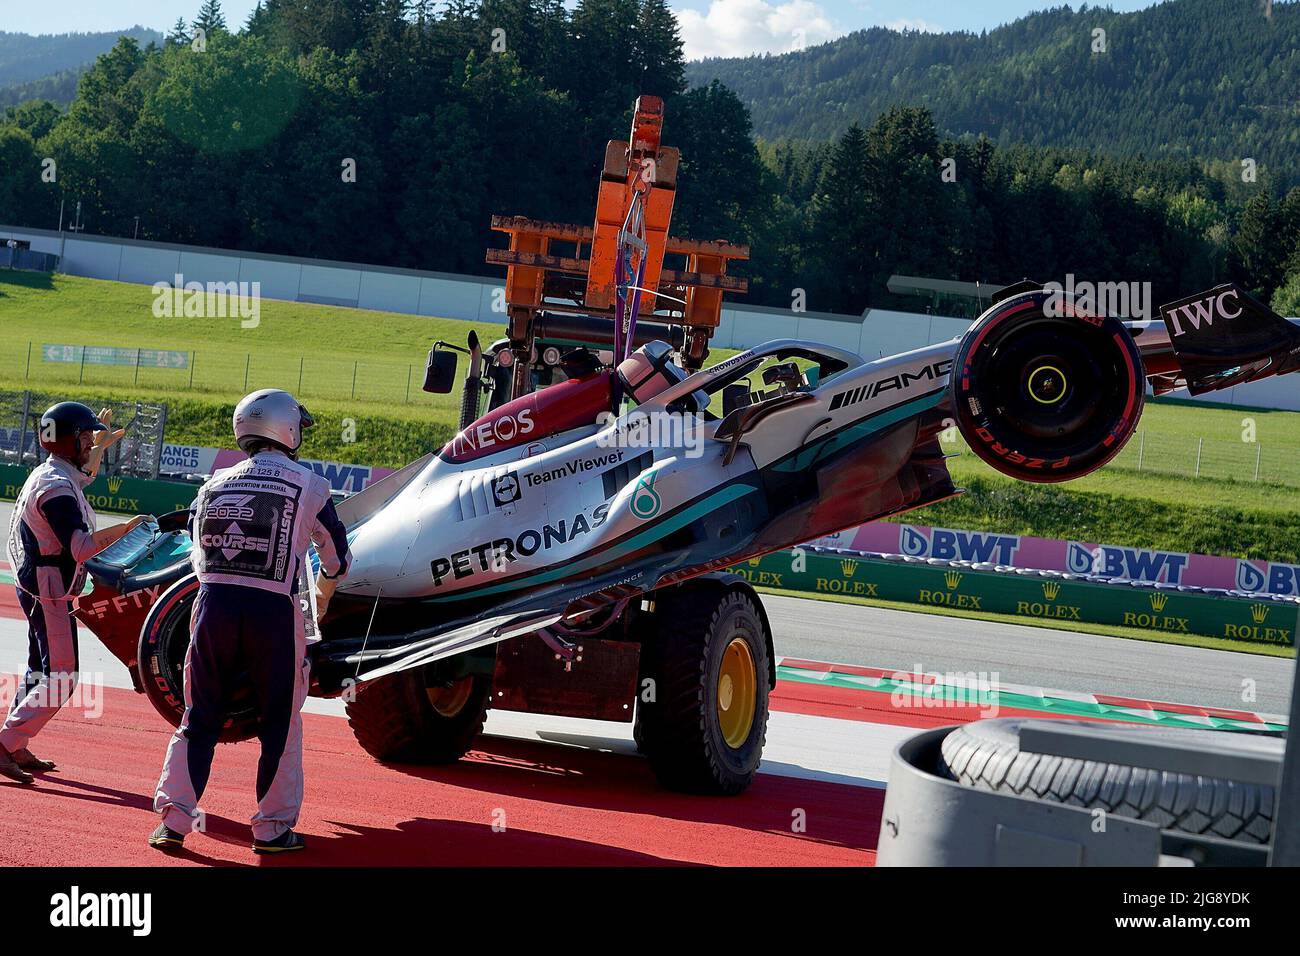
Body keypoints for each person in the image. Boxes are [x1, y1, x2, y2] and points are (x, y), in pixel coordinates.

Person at [150, 389, 349, 854]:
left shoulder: (212, 483)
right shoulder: (311, 485)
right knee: (280, 722)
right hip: (274, 614)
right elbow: (337, 558)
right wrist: (323, 593)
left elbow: (197, 550)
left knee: (197, 718)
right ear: (288, 429)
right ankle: (272, 829)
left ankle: (174, 822)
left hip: (211, 608)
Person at [1, 403, 150, 784]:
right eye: (84, 438)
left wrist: (98, 447)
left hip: (40, 582)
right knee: (64, 676)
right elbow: (82, 548)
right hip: (49, 587)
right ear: (68, 442)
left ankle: (15, 742)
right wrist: (128, 528)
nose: (89, 444)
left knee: (41, 667)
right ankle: (5, 744)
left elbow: (83, 476)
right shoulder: (55, 488)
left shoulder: (55, 473)